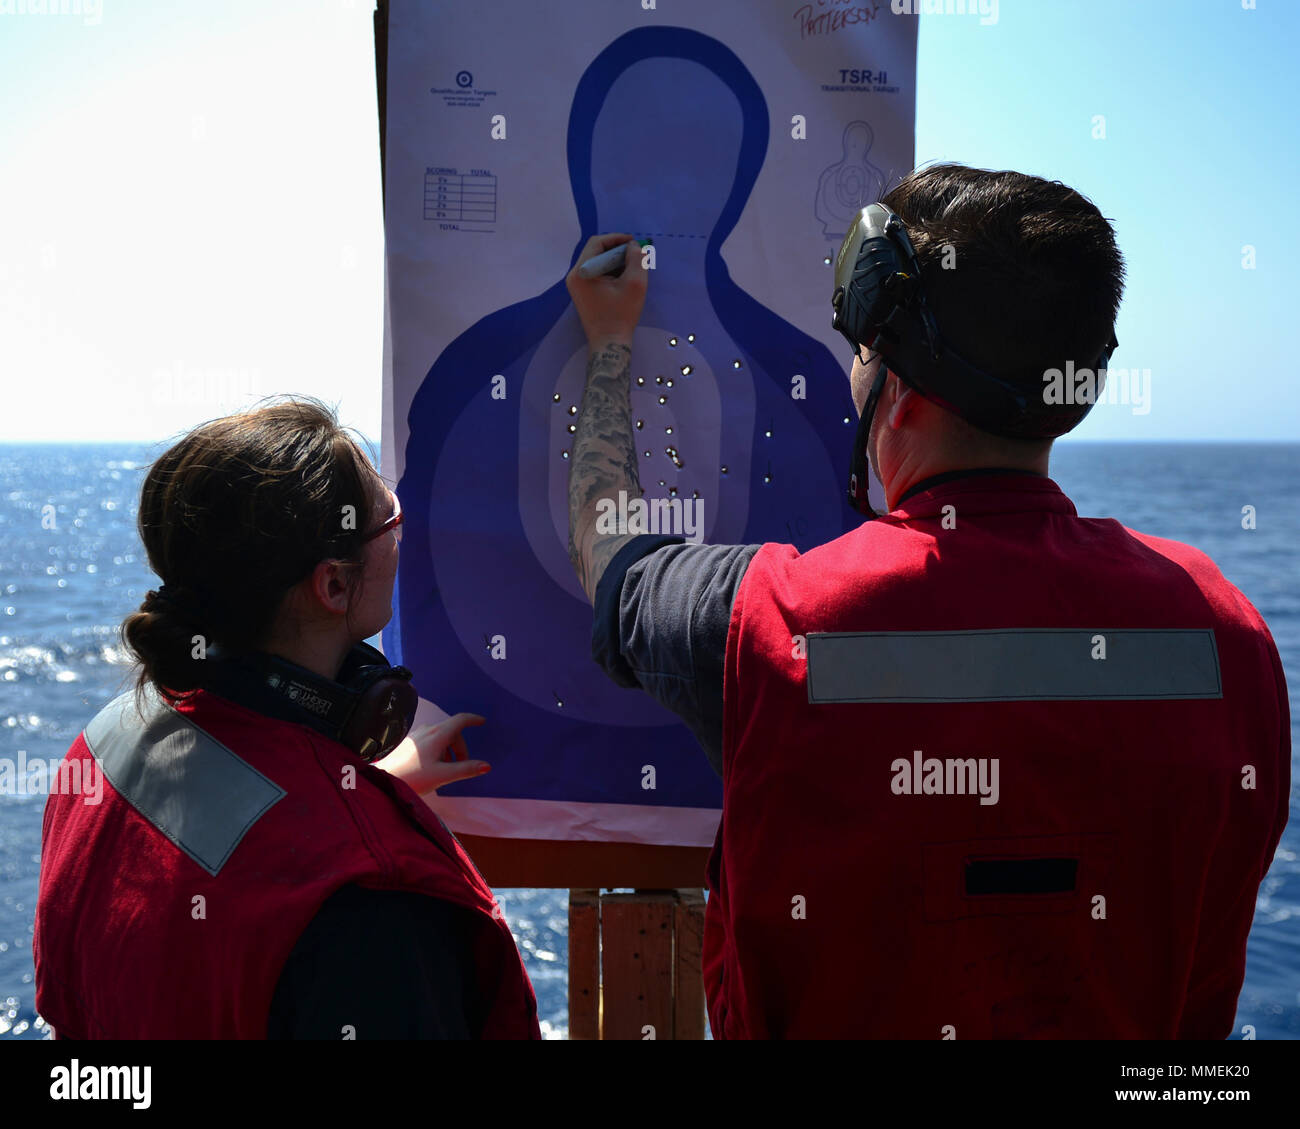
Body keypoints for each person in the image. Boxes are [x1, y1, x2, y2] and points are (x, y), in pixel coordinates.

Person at [564, 165, 1291, 1038]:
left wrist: (608, 346)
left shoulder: (765, 619)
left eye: (864, 352)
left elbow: (611, 560)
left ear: (897, 392)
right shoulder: (1227, 635)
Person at [34, 398, 540, 1039]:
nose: (403, 538)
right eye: (392, 523)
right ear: (332, 586)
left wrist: (361, 791)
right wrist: (354, 827)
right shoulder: (372, 903)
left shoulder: (105, 739)